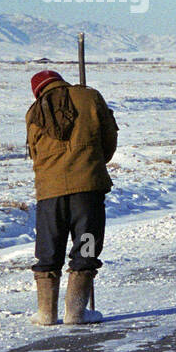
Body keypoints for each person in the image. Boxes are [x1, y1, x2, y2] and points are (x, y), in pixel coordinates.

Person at [25, 69, 118, 326]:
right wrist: (94, 162)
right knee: (86, 244)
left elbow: (33, 152)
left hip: (49, 193)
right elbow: (109, 137)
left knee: (48, 250)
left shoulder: (33, 112)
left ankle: (46, 313)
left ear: (38, 90)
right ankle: (76, 312)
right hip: (87, 190)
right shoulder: (90, 98)